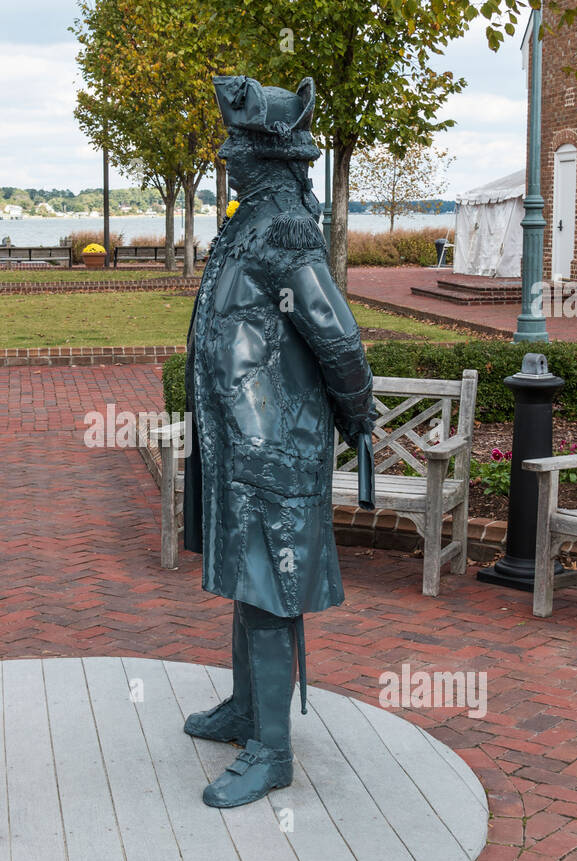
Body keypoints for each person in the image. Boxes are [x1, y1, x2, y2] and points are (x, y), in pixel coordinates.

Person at [181, 75, 375, 808]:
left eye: (242, 149)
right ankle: (245, 710)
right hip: (243, 439)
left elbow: (337, 334)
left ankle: (271, 750)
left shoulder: (283, 228)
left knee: (268, 585)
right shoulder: (252, 221)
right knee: (247, 573)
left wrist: (357, 411)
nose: (230, 159)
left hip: (276, 443)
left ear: (273, 156)